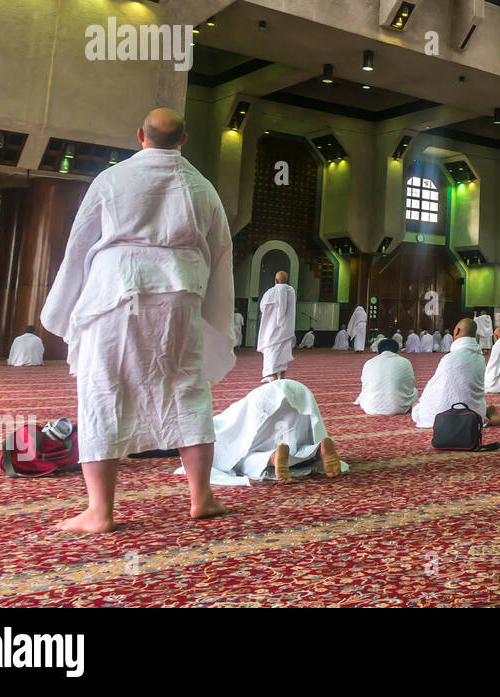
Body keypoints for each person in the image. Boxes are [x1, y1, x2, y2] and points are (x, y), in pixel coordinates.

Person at [39, 107, 233, 532]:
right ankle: (201, 497)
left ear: (140, 136)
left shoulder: (111, 179)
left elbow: (80, 243)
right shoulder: (202, 187)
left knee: (103, 390)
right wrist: (216, 313)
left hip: (115, 293)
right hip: (181, 296)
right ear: (183, 141)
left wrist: (63, 305)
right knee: (187, 388)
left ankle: (100, 511)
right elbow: (220, 253)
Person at [192, 379, 344, 486]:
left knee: (240, 462)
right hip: (297, 391)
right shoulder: (223, 417)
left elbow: (211, 460)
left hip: (265, 404)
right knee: (300, 442)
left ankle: (272, 457)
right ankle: (316, 450)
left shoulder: (211, 439)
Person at [412, 318, 498, 428]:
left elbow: (433, 389)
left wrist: (421, 403)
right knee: (486, 406)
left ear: (457, 331)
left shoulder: (450, 358)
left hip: (444, 417)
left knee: (416, 405)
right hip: (473, 416)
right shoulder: (480, 359)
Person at [356, 338, 418, 415]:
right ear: (397, 350)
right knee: (415, 391)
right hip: (399, 407)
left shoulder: (369, 362)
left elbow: (365, 385)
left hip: (370, 407)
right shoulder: (405, 362)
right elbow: (410, 385)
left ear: (379, 351)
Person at [256, 272, 296, 382]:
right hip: (286, 330)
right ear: (287, 280)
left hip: (271, 329)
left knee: (271, 352)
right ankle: (282, 377)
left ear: (275, 280)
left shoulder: (270, 293)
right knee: (283, 353)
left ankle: (274, 377)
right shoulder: (291, 292)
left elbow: (262, 308)